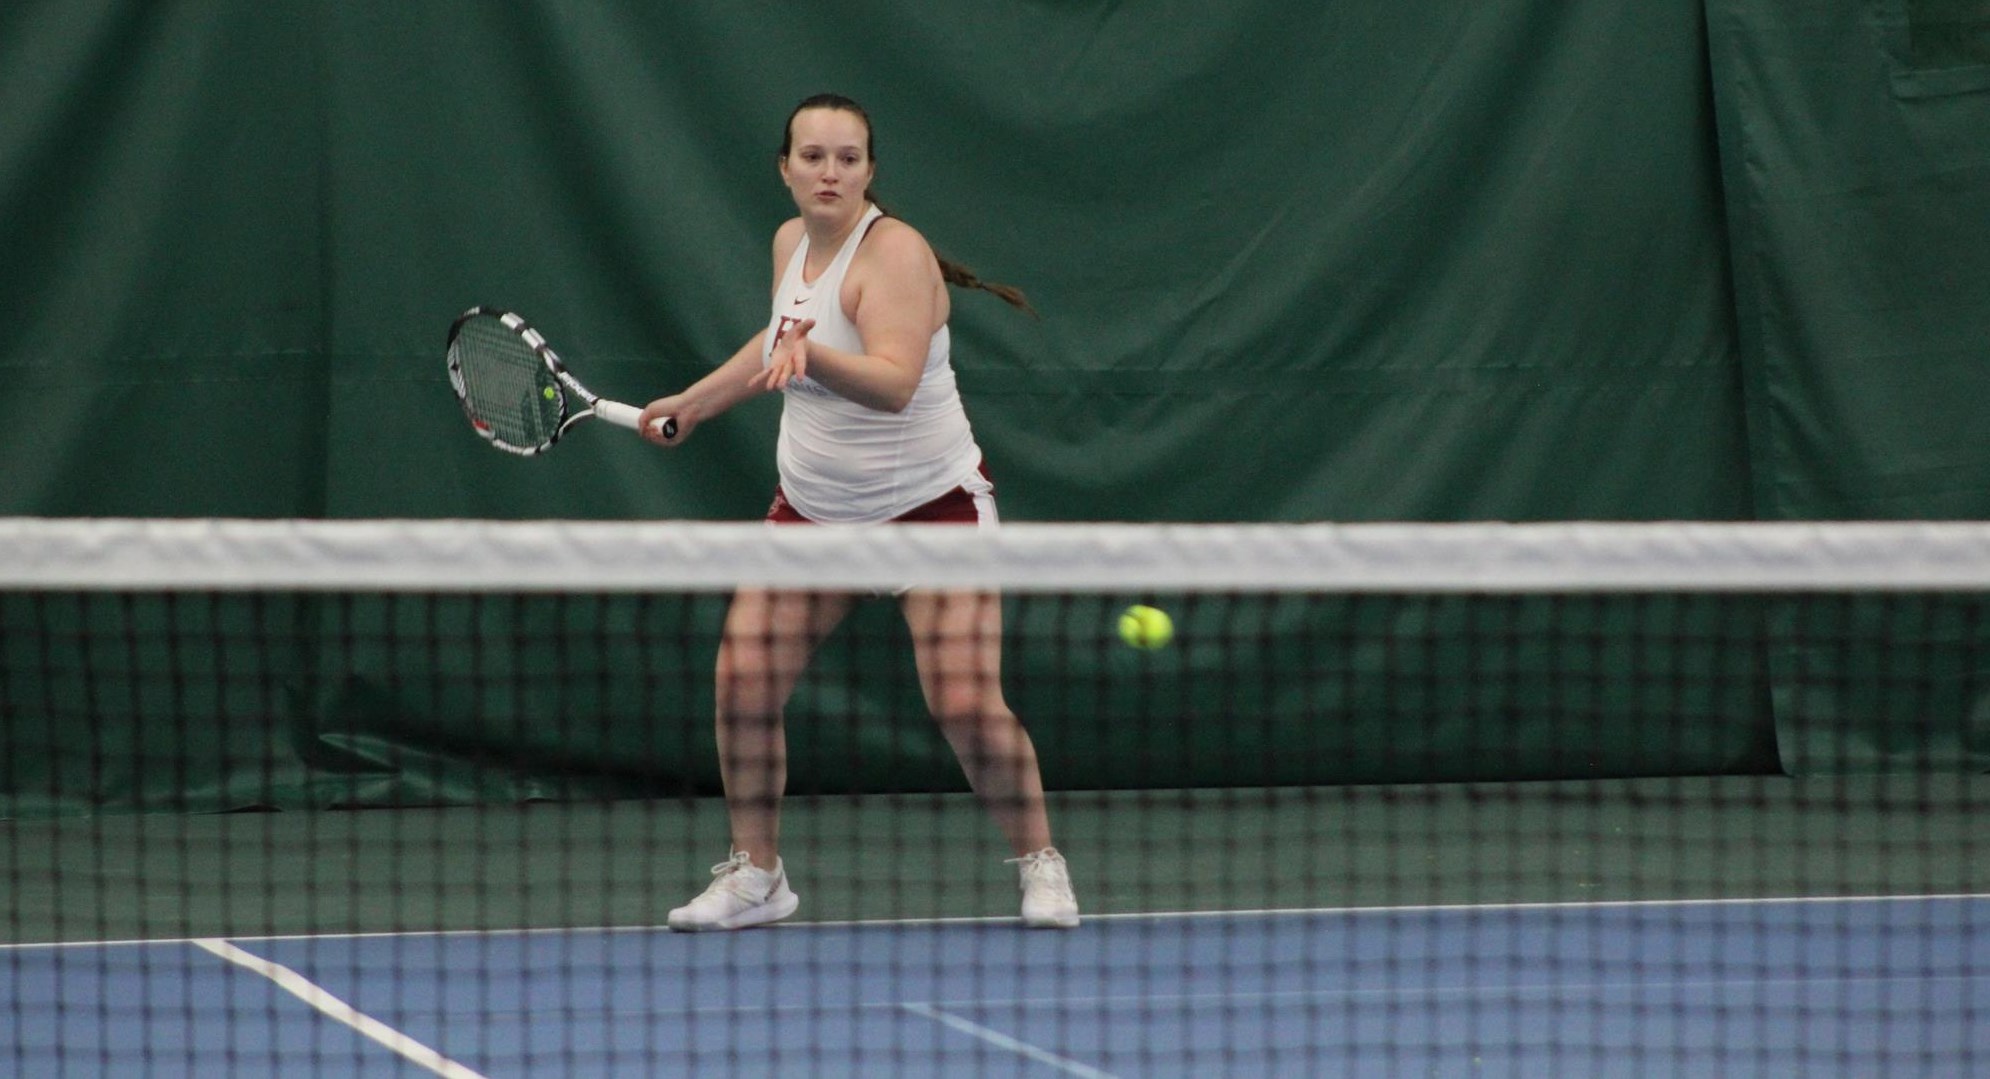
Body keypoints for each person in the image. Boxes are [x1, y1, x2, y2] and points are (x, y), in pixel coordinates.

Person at [636, 93, 1079, 931]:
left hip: (931, 513)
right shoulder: (789, 243)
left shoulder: (897, 255)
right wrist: (696, 403)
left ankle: (1040, 860)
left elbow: (893, 380)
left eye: (846, 158)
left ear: (870, 171)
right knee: (741, 680)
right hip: (815, 515)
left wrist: (816, 360)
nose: (829, 172)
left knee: (963, 700)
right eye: (812, 157)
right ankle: (758, 875)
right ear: (786, 168)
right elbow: (777, 345)